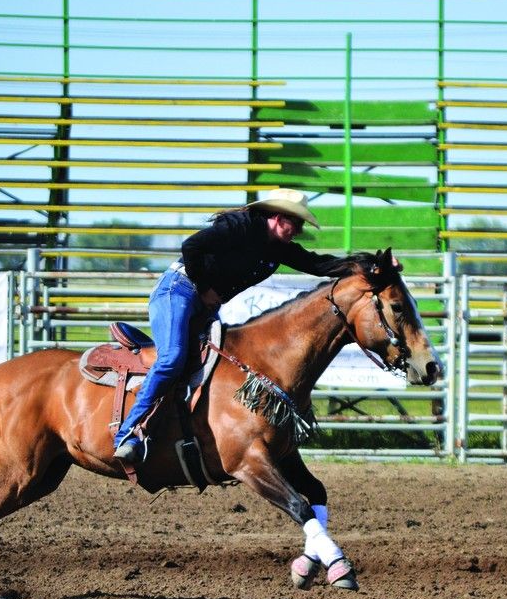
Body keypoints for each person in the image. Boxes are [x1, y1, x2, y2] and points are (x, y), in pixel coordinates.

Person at [113, 188, 343, 464]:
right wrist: (206, 287)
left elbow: (318, 264)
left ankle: (192, 436)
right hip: (179, 289)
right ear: (279, 217)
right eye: (296, 222)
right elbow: (191, 247)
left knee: (224, 366)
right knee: (172, 358)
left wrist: (374, 265)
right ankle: (126, 435)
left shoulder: (276, 248)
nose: (299, 229)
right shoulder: (240, 227)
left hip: (206, 303)